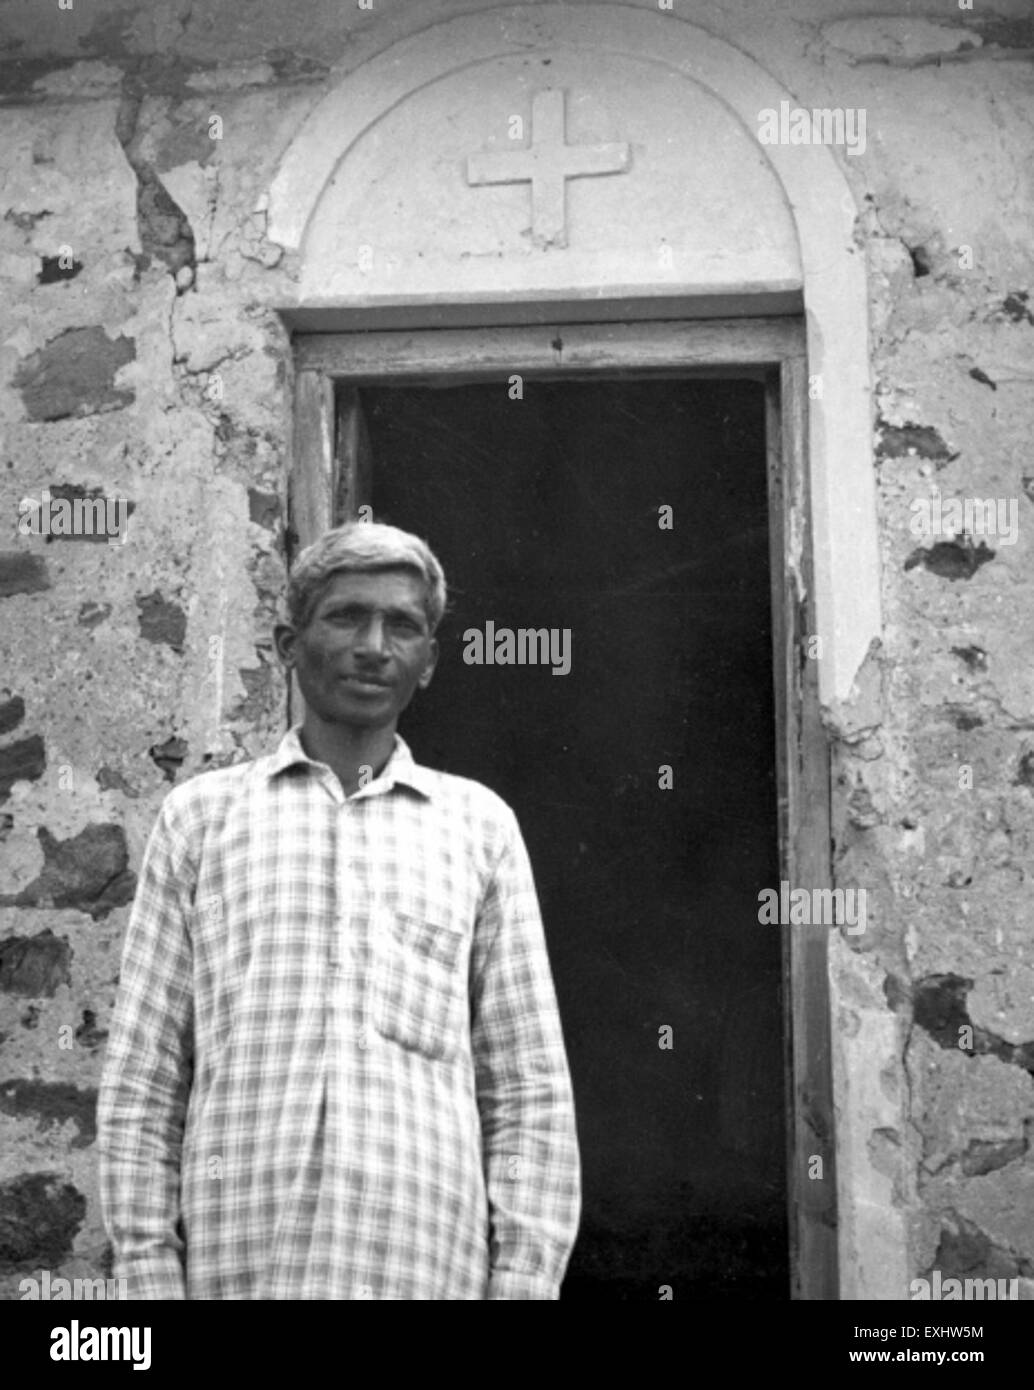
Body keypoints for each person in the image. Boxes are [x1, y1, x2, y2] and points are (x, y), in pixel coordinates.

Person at [97, 520, 581, 1300]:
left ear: (427, 663)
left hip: (424, 1273)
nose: (373, 645)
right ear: (291, 644)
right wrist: (150, 1278)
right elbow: (144, 1079)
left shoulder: (478, 827)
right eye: (347, 616)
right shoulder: (202, 821)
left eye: (404, 626)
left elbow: (526, 1087)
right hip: (238, 1270)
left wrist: (523, 1283)